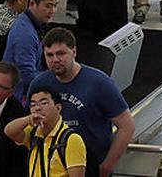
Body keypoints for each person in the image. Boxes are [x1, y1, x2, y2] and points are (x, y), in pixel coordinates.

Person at [30, 28, 134, 177]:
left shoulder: (99, 83)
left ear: (74, 52)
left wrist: (107, 166)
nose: (55, 60)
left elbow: (127, 126)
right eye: (49, 55)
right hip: (50, 169)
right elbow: (29, 123)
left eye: (61, 53)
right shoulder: (39, 83)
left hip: (90, 166)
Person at [4, 88, 87, 177]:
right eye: (33, 105)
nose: (37, 108)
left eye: (44, 103)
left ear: (58, 108)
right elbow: (9, 131)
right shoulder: (34, 133)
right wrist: (27, 119)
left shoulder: (71, 139)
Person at [3, 0, 60, 104]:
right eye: (48, 6)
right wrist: (58, 79)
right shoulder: (25, 34)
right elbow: (27, 76)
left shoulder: (30, 24)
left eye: (55, 5)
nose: (53, 11)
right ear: (32, 3)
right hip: (19, 99)